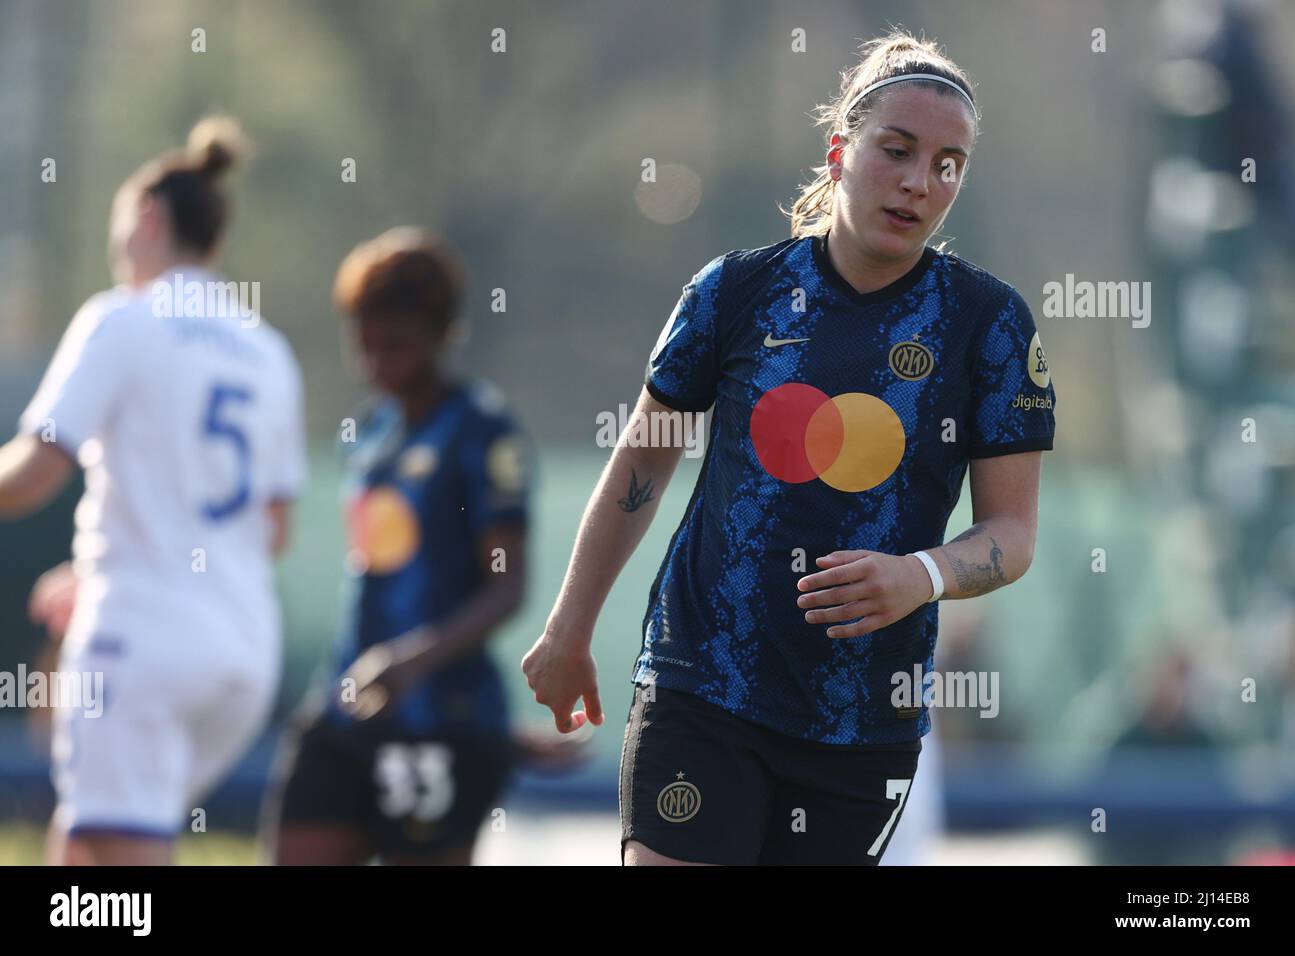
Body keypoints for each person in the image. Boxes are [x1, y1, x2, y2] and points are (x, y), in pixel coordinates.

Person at [522, 31, 1057, 865]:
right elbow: (640, 467)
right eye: (898, 150)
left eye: (948, 163)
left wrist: (919, 576)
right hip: (702, 684)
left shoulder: (989, 324)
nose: (920, 181)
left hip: (861, 718)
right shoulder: (733, 290)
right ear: (841, 150)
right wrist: (569, 629)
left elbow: (1014, 536)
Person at [0, 117, 306, 865]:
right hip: (242, 657)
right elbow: (272, 529)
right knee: (83, 845)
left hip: (142, 646)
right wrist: (110, 564)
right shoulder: (269, 353)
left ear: (146, 219)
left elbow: (31, 477)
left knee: (119, 875)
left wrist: (131, 573)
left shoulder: (122, 320)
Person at [265, 228, 535, 865]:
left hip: (444, 718)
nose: (375, 362)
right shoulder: (367, 432)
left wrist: (408, 662)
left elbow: (508, 587)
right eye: (364, 342)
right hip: (346, 705)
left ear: (442, 333)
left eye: (395, 344)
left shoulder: (483, 432)